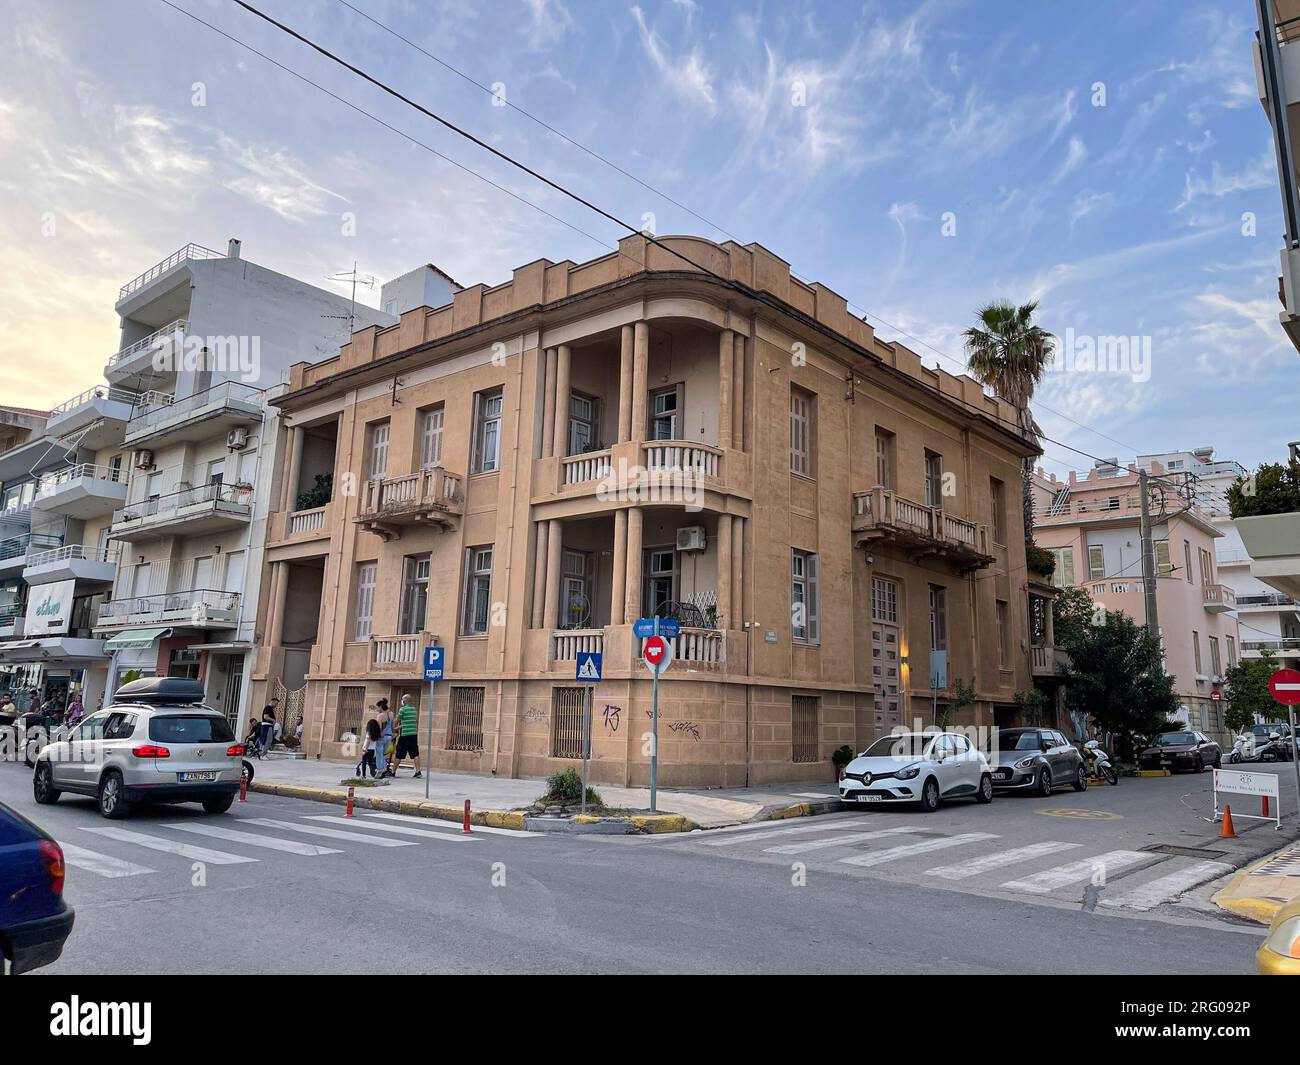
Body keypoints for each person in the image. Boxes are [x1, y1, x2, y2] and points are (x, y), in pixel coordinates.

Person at [391, 694, 421, 778]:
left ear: (404, 701)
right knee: (415, 753)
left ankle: (393, 772)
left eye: (402, 700)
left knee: (399, 753)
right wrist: (401, 726)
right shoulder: (414, 709)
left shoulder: (402, 709)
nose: (402, 701)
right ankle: (418, 772)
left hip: (404, 735)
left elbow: (397, 720)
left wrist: (394, 728)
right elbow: (409, 722)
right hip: (413, 734)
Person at [374, 699, 393, 778]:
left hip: (382, 737)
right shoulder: (391, 714)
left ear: (381, 707)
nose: (377, 709)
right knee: (385, 754)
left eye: (377, 707)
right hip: (389, 736)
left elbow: (379, 727)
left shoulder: (380, 716)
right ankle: (385, 769)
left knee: (379, 754)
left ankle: (379, 770)